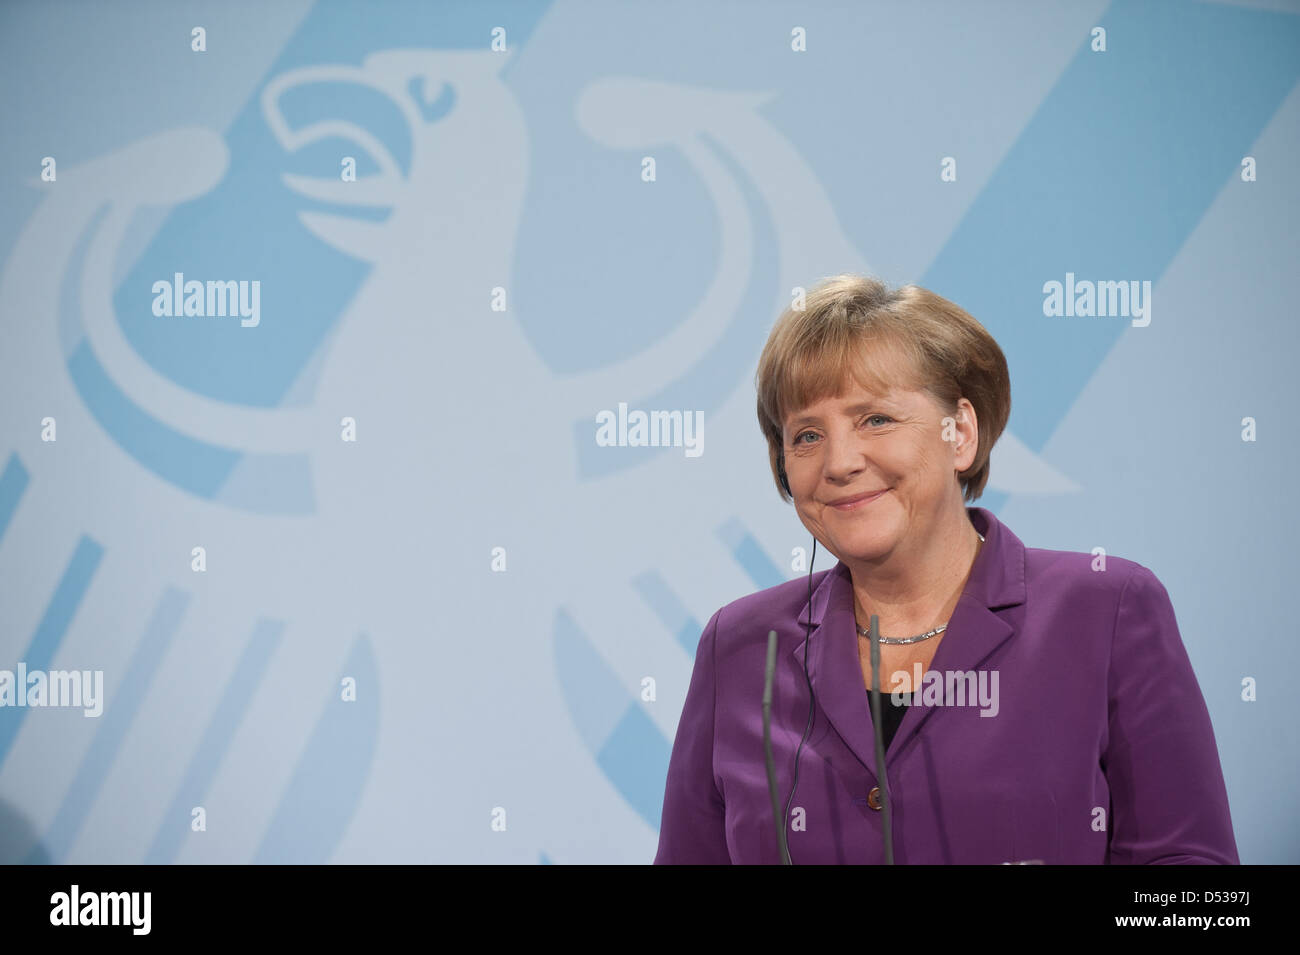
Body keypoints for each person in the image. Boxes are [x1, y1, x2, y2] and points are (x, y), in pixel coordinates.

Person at [654, 275, 1238, 864]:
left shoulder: (1106, 610)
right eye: (806, 435)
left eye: (875, 419)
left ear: (959, 433)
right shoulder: (740, 646)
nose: (839, 463)